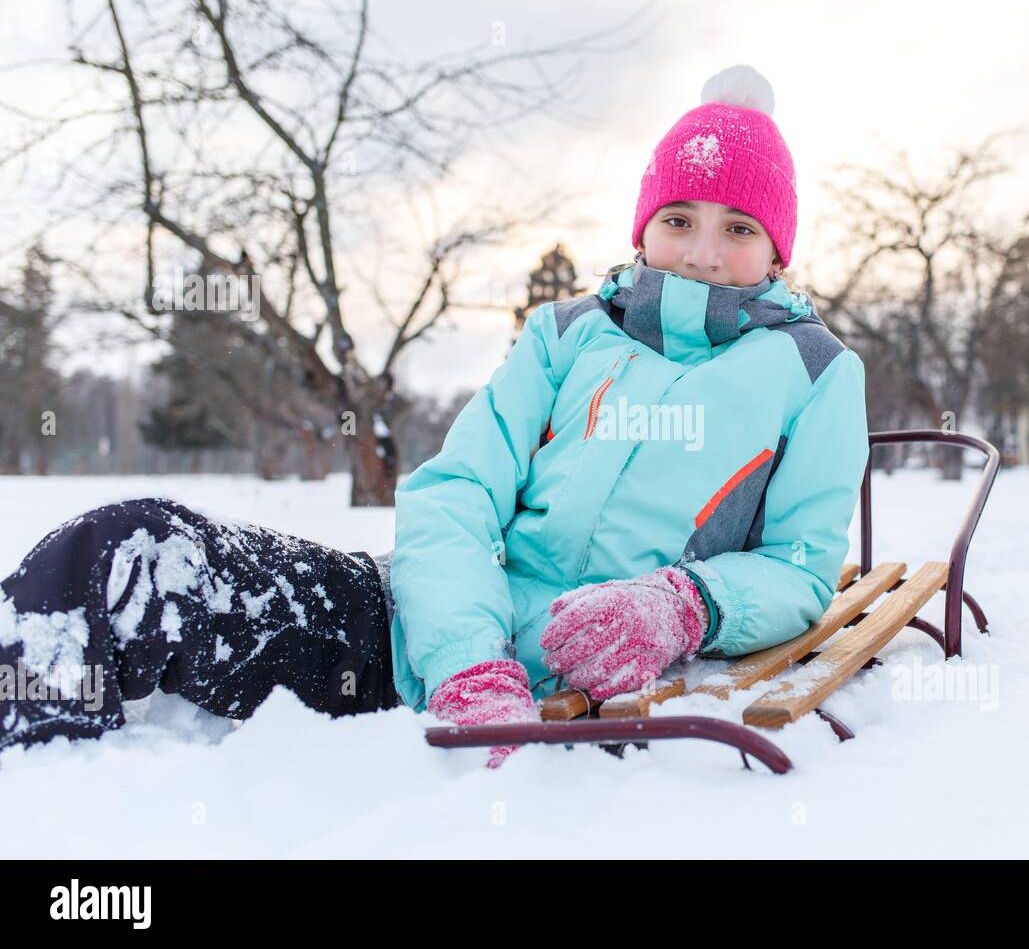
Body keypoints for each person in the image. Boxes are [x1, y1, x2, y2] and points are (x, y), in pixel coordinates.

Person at [0, 65, 868, 769]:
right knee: (131, 548)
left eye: (739, 226)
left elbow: (801, 566)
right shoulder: (565, 335)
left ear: (778, 247)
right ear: (643, 227)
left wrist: (684, 605)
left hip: (571, 669)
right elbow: (455, 494)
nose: (703, 252)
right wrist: (465, 657)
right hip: (414, 621)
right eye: (678, 218)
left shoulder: (815, 373)